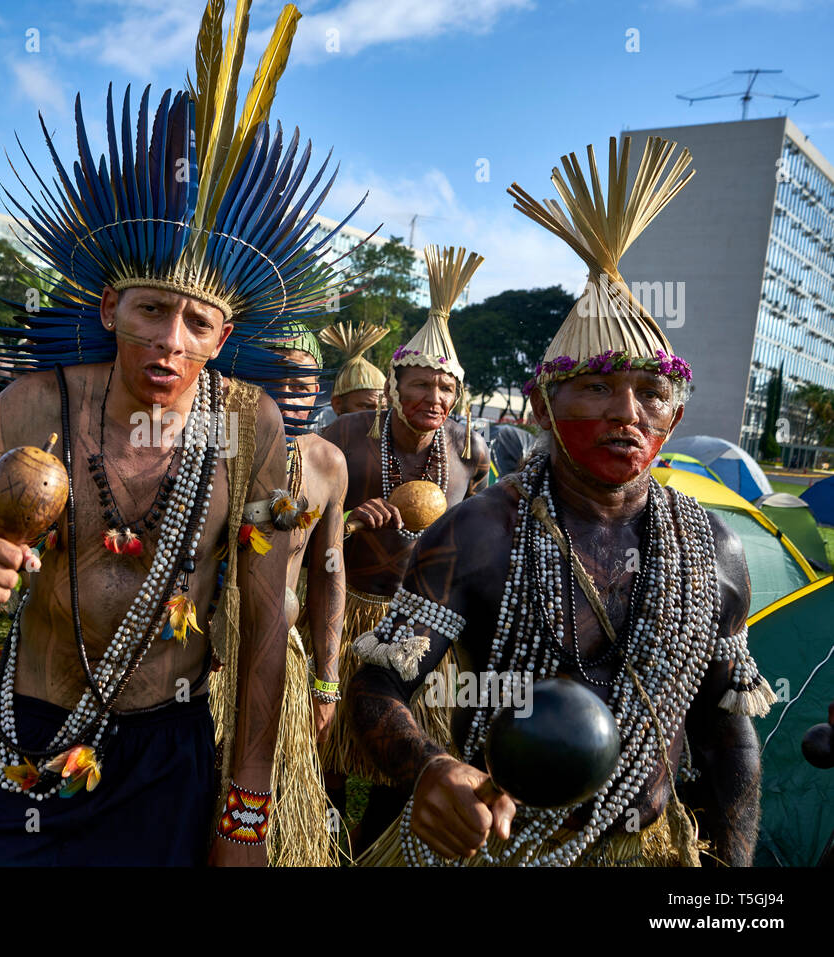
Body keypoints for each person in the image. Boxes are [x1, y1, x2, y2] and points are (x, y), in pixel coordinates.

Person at [0, 0, 367, 866]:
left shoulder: (251, 427)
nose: (171, 340)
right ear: (109, 307)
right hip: (28, 735)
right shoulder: (34, 408)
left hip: (167, 756)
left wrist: (245, 812)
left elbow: (261, 623)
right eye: (152, 310)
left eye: (196, 322)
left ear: (221, 335)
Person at [347, 136, 772, 867]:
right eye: (598, 387)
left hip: (641, 849)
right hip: (495, 846)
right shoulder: (479, 534)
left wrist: (730, 877)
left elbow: (727, 730)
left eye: (651, 394)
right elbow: (378, 684)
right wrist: (429, 765)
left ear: (674, 417)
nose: (627, 413)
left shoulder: (716, 554)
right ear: (543, 405)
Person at [318, 246, 491, 847]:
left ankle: (373, 847)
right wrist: (347, 521)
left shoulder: (469, 457)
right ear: (395, 385)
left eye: (446, 390)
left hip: (423, 626)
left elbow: (479, 544)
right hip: (345, 610)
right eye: (420, 385)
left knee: (404, 752)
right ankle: (321, 836)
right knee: (328, 750)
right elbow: (294, 532)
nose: (433, 400)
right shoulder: (341, 438)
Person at [245, 325, 346, 866]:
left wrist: (326, 684)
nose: (290, 389)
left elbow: (330, 574)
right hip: (196, 652)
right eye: (275, 375)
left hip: (280, 657)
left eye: (303, 380)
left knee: (264, 806)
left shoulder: (327, 463)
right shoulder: (214, 443)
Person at [310, 322, 388, 432]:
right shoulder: (317, 441)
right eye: (366, 407)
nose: (377, 417)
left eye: (383, 407)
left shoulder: (390, 443)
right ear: (337, 405)